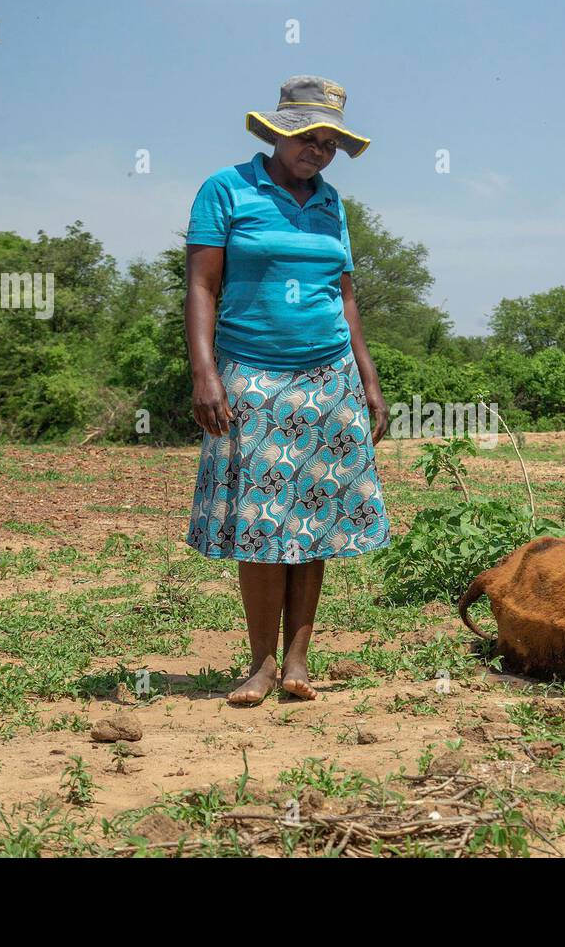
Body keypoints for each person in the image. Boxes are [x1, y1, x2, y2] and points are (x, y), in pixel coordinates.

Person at [183, 75, 390, 704]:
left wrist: (369, 376)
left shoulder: (331, 205)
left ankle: (299, 660)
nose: (319, 150)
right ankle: (260, 663)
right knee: (261, 523)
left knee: (316, 520)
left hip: (330, 378)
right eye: (308, 137)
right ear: (277, 133)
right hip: (253, 374)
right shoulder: (226, 190)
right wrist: (206, 373)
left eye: (330, 142)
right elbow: (201, 287)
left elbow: (346, 295)